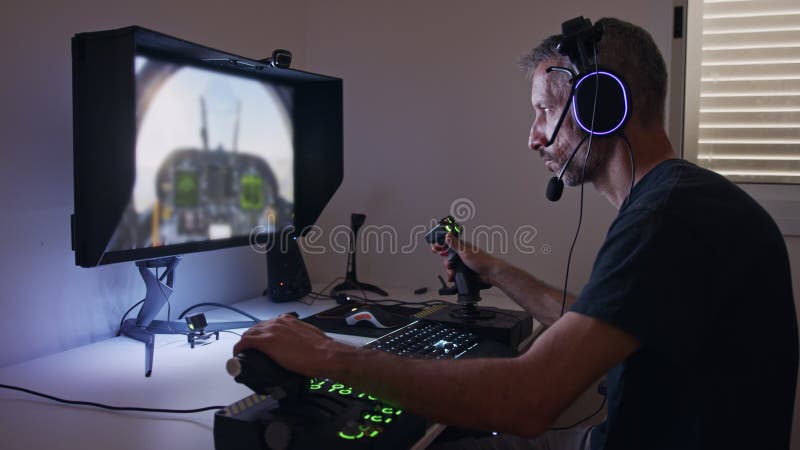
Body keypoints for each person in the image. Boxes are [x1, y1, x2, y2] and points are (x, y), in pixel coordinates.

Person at [233, 17, 799, 450]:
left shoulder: (669, 217)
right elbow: (596, 323)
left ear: (602, 105)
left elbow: (529, 399)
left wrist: (330, 357)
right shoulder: (678, 201)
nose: (532, 138)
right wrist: (496, 270)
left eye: (543, 112)